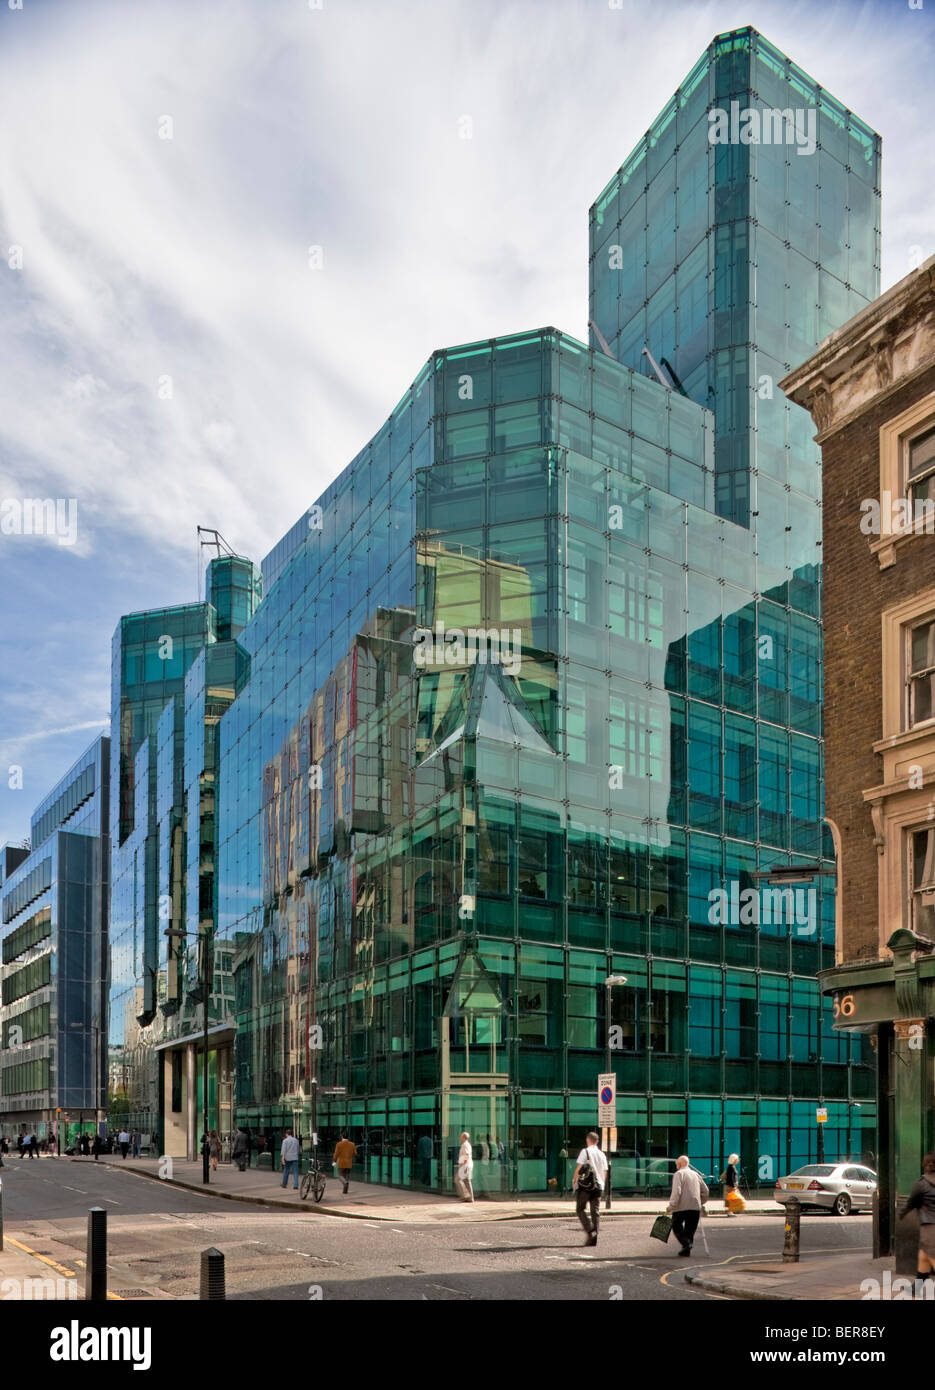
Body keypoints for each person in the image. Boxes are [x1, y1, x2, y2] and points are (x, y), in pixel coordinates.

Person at [902, 1151, 935, 1297]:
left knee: (931, 1256)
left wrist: (901, 1213)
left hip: (929, 1226)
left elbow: (911, 1202)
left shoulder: (921, 1184)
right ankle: (916, 1288)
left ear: (924, 1164)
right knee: (923, 1257)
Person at [667, 1154, 710, 1257]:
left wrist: (671, 1205)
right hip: (695, 1207)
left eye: (677, 1163)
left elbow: (676, 1191)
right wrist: (701, 1202)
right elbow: (706, 1191)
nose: (676, 1165)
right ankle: (686, 1250)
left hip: (681, 1207)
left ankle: (686, 1244)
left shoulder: (678, 1174)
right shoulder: (696, 1174)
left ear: (680, 1163)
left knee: (676, 1226)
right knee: (690, 1230)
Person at [572, 1131, 608, 1246]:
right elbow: (605, 1171)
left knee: (580, 1209)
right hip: (599, 1186)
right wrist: (602, 1184)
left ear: (588, 1140)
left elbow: (579, 1168)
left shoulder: (585, 1151)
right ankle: (594, 1237)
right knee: (595, 1211)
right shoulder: (602, 1154)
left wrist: (574, 1180)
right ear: (597, 1141)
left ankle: (590, 1230)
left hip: (586, 1187)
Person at [455, 1131, 474, 1202]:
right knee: (467, 1181)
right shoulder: (466, 1144)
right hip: (467, 1165)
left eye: (461, 1136)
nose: (460, 1138)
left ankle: (465, 1195)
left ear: (463, 1137)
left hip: (465, 1165)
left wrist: (463, 1164)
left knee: (457, 1179)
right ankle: (470, 1198)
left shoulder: (465, 1145)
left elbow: (467, 1155)